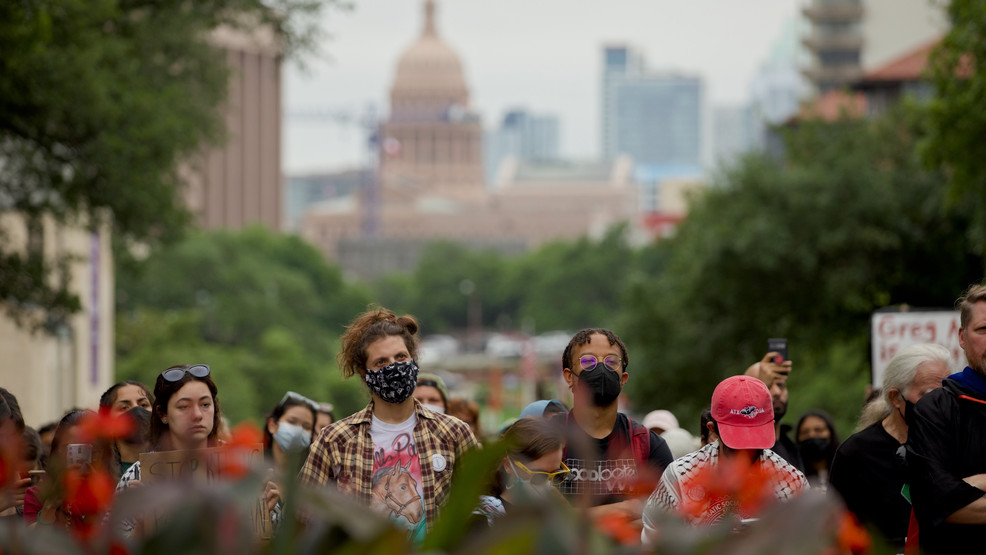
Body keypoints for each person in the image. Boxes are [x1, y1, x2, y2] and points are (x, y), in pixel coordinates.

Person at [299, 308, 479, 542]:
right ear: (365, 374)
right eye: (381, 362)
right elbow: (302, 512)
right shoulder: (335, 439)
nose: (393, 367)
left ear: (413, 360)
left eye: (401, 357)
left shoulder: (453, 432)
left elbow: (479, 504)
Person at [115, 364, 281, 534]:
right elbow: (115, 544)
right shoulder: (138, 476)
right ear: (163, 414)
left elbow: (276, 542)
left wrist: (266, 513)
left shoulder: (242, 464)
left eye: (205, 405)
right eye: (183, 407)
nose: (197, 415)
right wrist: (141, 526)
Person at [641, 375, 807, 542]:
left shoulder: (791, 482)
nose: (746, 451)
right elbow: (653, 541)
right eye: (738, 441)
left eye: (755, 439)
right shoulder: (681, 477)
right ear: (713, 429)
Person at [829, 343, 951, 552]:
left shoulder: (956, 444)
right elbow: (836, 531)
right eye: (929, 395)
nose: (939, 405)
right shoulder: (855, 454)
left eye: (946, 395)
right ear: (896, 397)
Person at [553, 328, 673, 517]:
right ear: (569, 376)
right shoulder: (547, 438)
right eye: (588, 361)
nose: (601, 368)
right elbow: (542, 522)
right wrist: (627, 509)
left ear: (623, 378)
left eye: (611, 361)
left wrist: (573, 515)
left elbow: (661, 522)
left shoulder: (649, 445)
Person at [907, 284, 986, 554]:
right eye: (983, 330)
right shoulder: (934, 409)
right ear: (962, 337)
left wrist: (969, 486)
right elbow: (936, 502)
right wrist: (951, 499)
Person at [473, 417, 569, 526]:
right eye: (538, 476)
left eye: (556, 475)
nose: (548, 483)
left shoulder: (556, 514)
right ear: (508, 465)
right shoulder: (484, 516)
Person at [746, 353, 803, 471]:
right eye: (767, 385)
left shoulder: (791, 447)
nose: (776, 392)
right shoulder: (740, 449)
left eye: (781, 385)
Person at [264, 391, 318, 475]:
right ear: (272, 425)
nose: (299, 430)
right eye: (292, 422)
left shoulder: (312, 476)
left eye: (306, 427)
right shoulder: (252, 463)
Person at [795, 409, 840, 492]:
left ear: (831, 433)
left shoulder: (845, 467)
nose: (811, 435)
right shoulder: (794, 474)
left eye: (818, 430)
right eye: (805, 432)